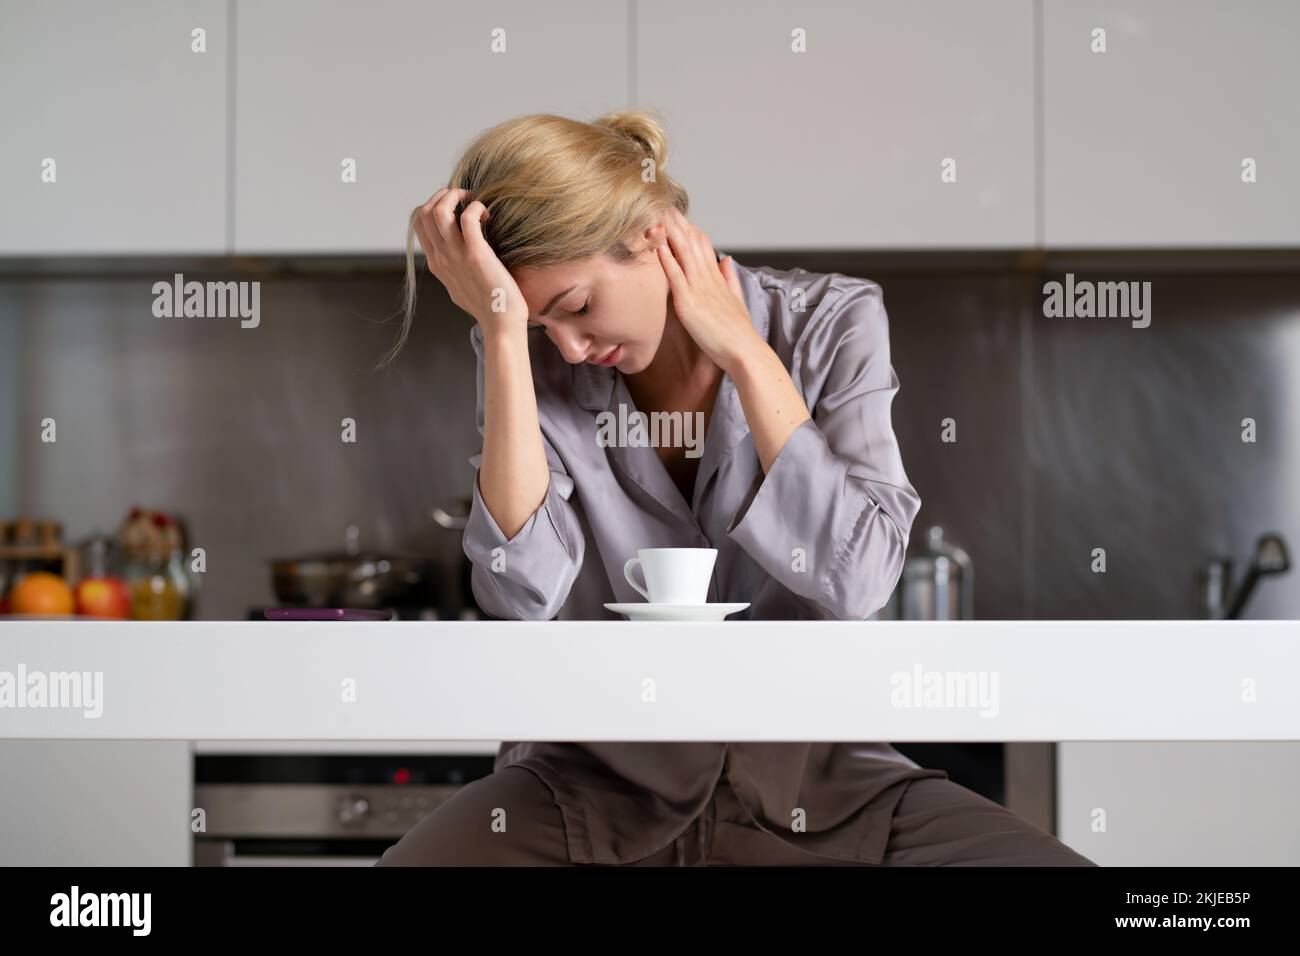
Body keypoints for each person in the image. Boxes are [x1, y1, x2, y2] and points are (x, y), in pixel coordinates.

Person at [375, 111, 1094, 867]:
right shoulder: (529, 360)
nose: (571, 347)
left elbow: (859, 579)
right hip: (586, 790)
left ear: (655, 233)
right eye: (539, 325)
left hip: (822, 784)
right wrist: (498, 334)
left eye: (579, 307)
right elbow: (520, 592)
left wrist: (749, 357)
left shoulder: (829, 322)